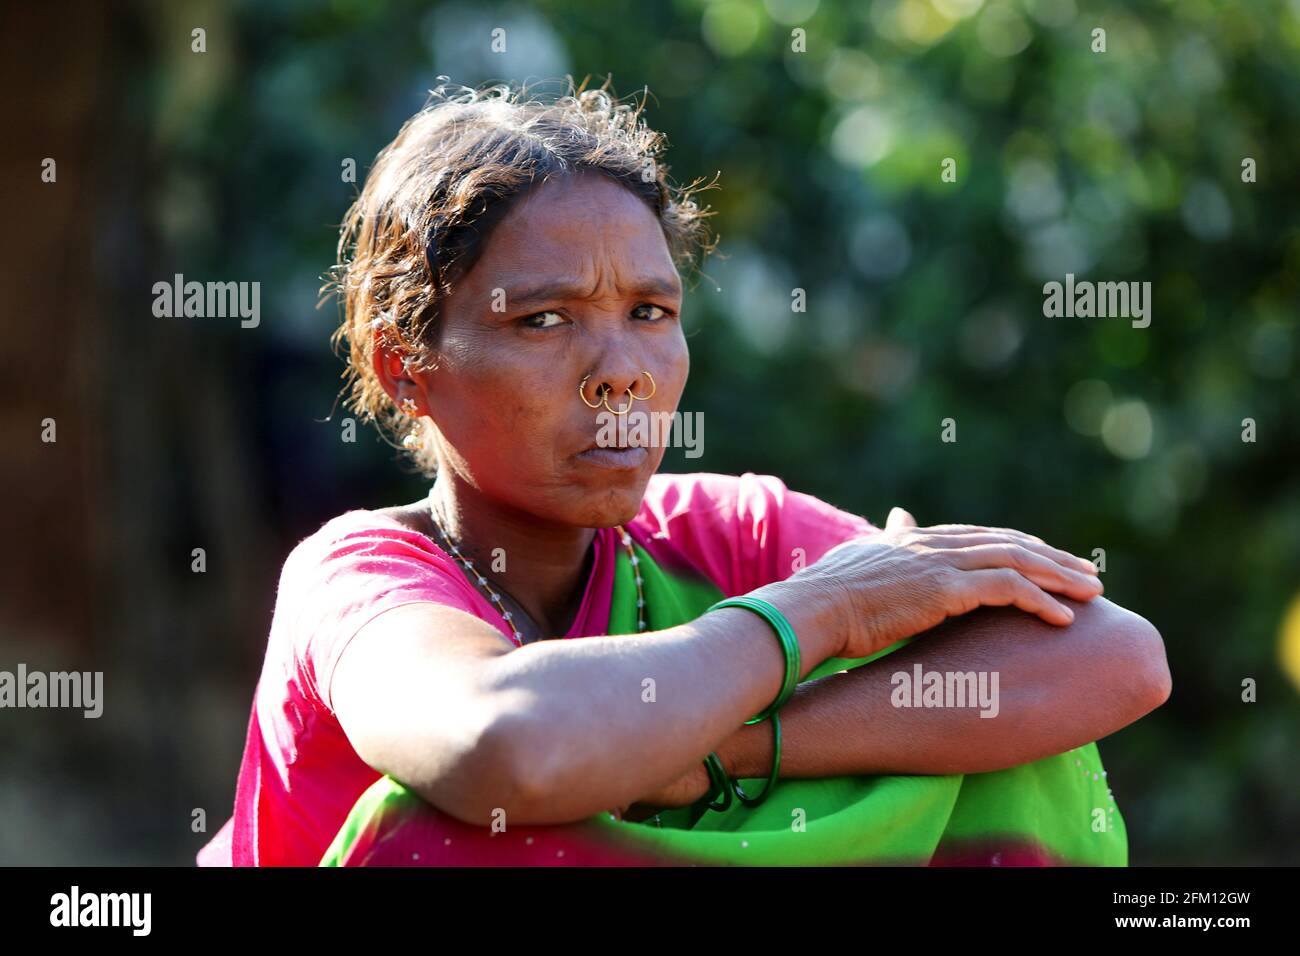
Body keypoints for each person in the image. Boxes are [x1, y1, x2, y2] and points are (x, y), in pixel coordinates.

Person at [198, 80, 1171, 867]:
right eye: (543, 318)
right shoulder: (361, 574)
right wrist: (816, 615)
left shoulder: (724, 532)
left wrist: (733, 750)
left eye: (651, 312)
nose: (620, 366)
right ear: (402, 368)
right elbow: (504, 746)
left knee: (995, 745)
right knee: (478, 821)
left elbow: (1110, 656)